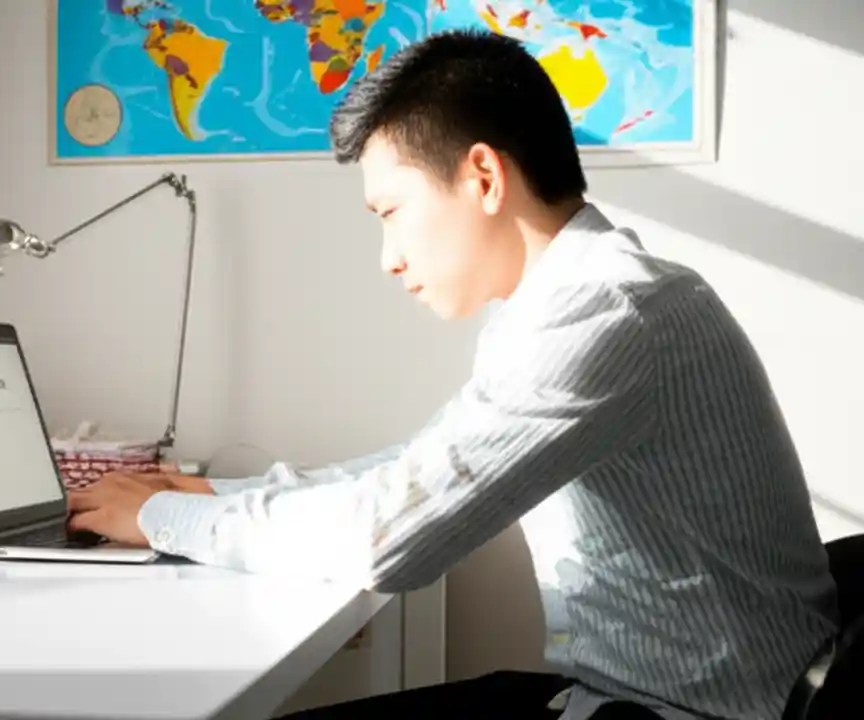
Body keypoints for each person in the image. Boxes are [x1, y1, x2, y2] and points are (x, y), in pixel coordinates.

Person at [65, 29, 839, 720]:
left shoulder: (607, 312)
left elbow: (387, 540)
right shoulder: (554, 305)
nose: (388, 257)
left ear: (484, 178)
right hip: (623, 692)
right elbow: (416, 472)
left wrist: (164, 522)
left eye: (391, 211)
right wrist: (215, 494)